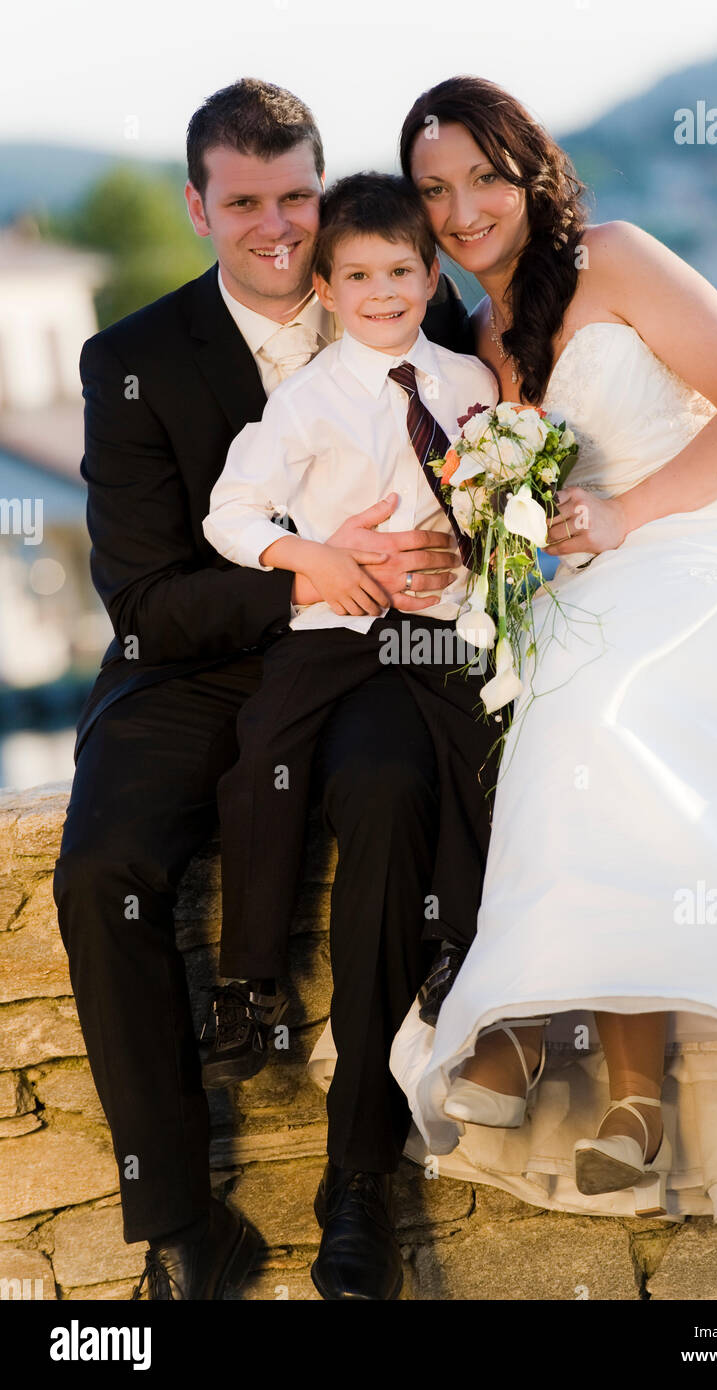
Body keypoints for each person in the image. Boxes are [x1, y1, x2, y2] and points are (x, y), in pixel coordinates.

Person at [388, 76, 717, 1225]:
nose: (461, 212)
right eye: (434, 192)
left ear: (529, 172)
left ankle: (569, 1052)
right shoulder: (476, 338)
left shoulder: (619, 254)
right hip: (604, 571)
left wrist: (624, 516)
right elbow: (522, 509)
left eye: (483, 179)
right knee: (552, 695)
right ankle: (597, 1069)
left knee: (599, 704)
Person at [52, 77, 476, 1302]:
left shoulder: (405, 321)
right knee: (100, 871)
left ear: (327, 190)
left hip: (373, 653)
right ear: (198, 206)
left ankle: (359, 1180)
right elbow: (146, 597)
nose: (276, 226)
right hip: (194, 664)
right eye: (244, 202)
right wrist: (313, 571)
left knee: (395, 787)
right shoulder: (127, 361)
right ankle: (181, 1224)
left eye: (296, 194)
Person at [203, 171, 500, 1299]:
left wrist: (474, 550)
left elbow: (500, 511)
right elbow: (232, 513)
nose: (383, 292)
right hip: (339, 634)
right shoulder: (309, 400)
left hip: (439, 640)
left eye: (403, 273)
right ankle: (251, 977)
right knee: (280, 763)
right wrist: (315, 554)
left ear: (435, 276)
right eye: (359, 276)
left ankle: (453, 944)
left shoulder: (469, 382)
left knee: (481, 759)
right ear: (324, 287)